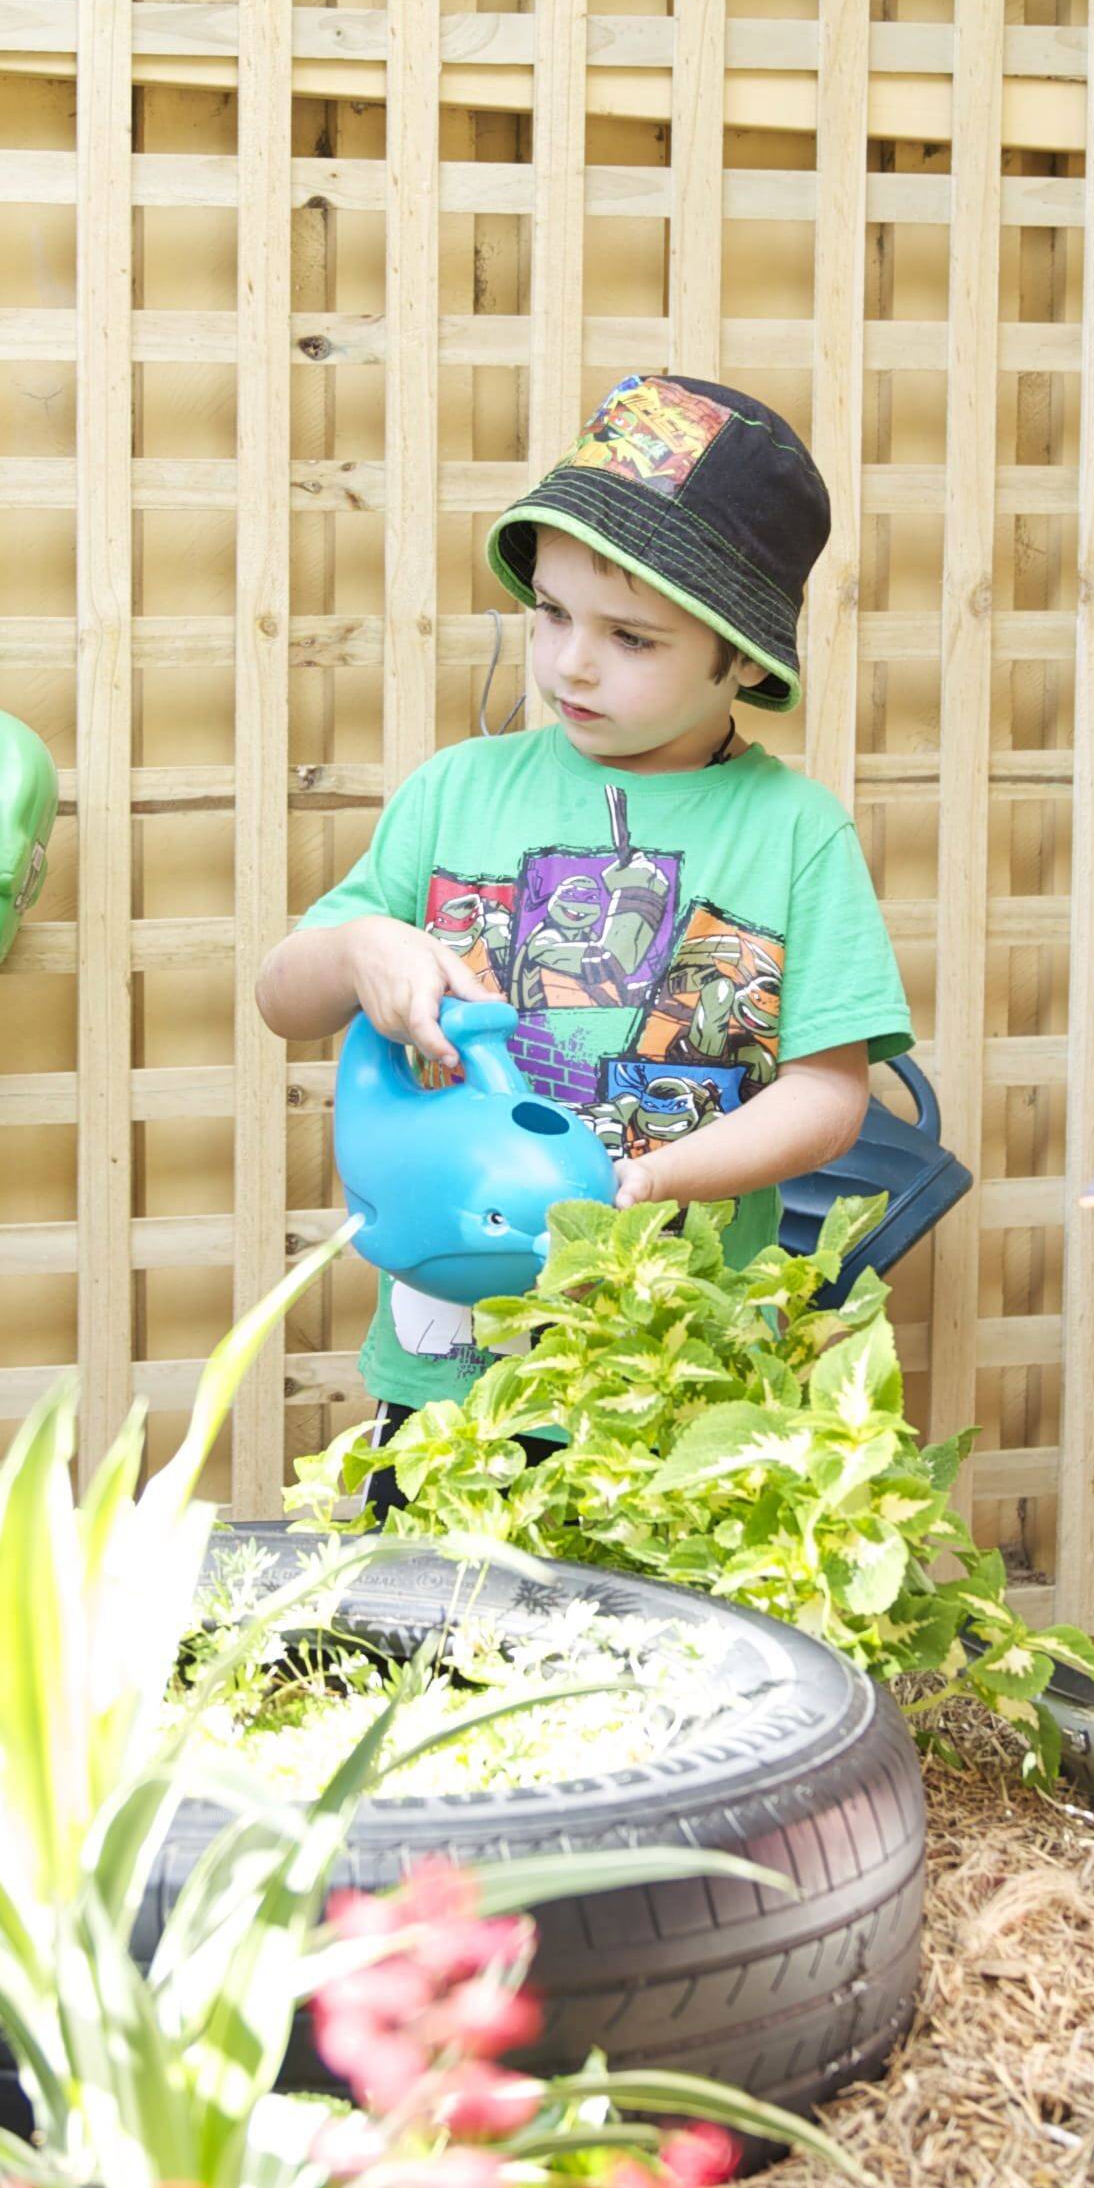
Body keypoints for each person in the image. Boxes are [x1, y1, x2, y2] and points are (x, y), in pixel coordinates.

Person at [258, 371, 908, 1411]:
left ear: (739, 659)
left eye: (630, 637)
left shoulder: (794, 832)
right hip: (450, 1380)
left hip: (678, 1379)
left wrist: (650, 1181)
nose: (573, 665)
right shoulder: (455, 793)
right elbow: (283, 998)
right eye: (553, 615)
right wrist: (358, 948)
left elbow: (829, 1098)